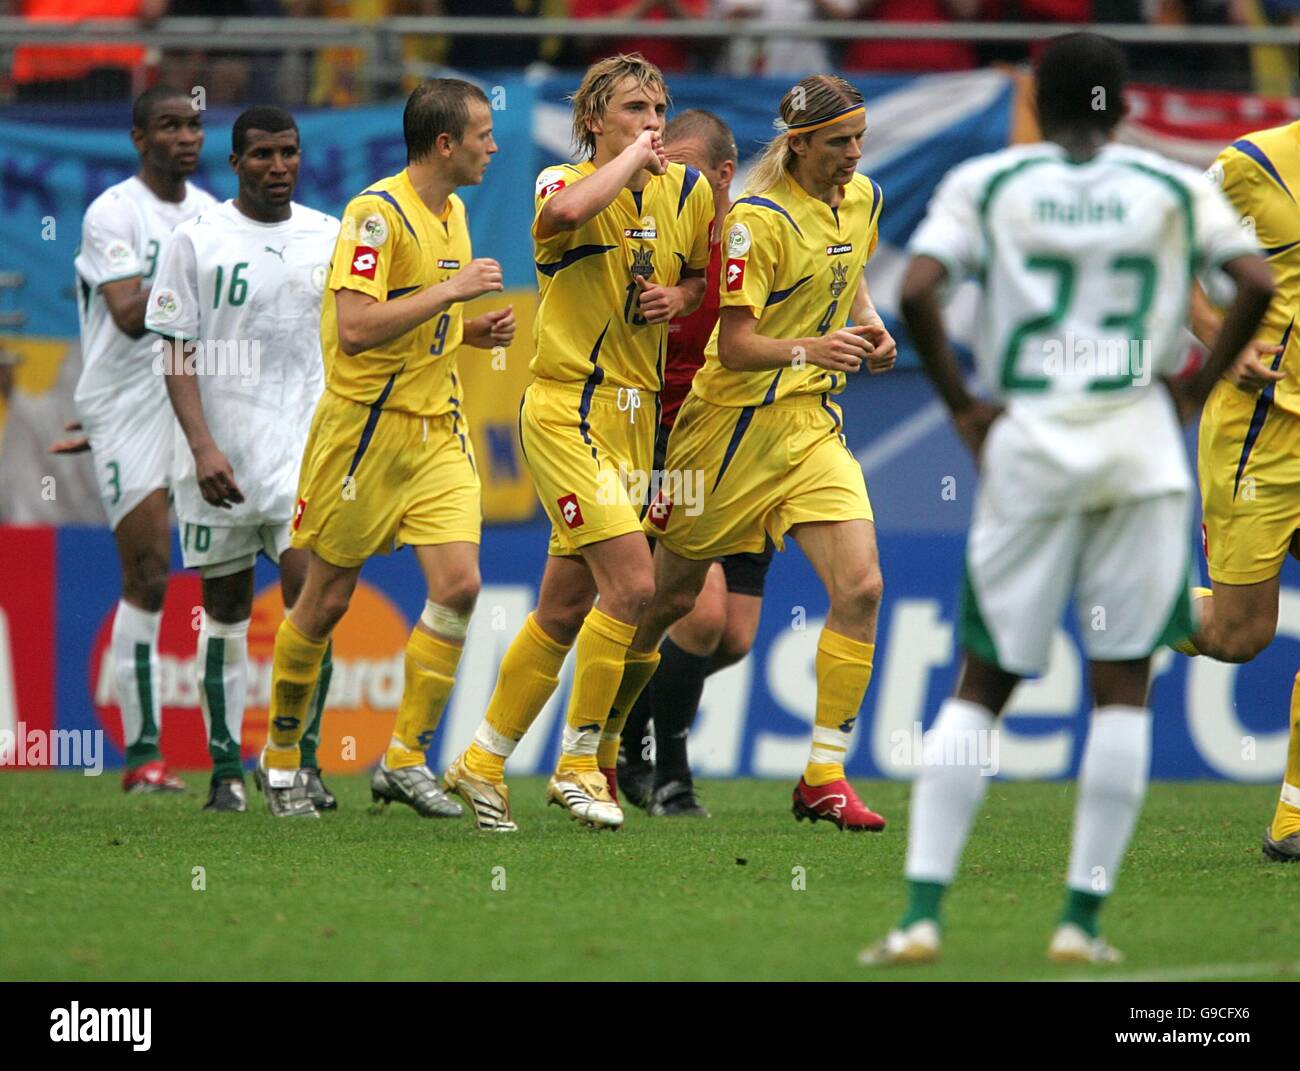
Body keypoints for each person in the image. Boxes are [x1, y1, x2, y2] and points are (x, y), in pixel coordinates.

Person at [862, 32, 1273, 967]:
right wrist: (1193, 387)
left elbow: (919, 287)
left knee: (983, 682)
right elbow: (1253, 280)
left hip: (1031, 446)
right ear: (1123, 105)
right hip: (1138, 447)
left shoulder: (992, 184)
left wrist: (966, 406)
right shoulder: (1168, 187)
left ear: (1037, 103)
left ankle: (921, 914)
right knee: (1122, 686)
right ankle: (1080, 925)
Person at [445, 53, 713, 832]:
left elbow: (699, 275)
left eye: (659, 108)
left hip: (635, 422)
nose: (652, 123)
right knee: (633, 588)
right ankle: (578, 761)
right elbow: (565, 220)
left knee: (564, 608)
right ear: (593, 122)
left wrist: (680, 295)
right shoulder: (558, 186)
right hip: (567, 410)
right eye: (634, 109)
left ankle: (484, 758)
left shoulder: (689, 191)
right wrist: (630, 161)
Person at [622, 74, 896, 832]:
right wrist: (815, 344)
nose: (853, 154)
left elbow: (850, 267)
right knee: (668, 604)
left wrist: (870, 325)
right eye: (838, 141)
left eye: (858, 139)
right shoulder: (756, 222)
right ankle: (601, 738)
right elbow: (735, 347)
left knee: (863, 586)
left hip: (807, 427)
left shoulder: (862, 199)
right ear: (798, 143)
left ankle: (823, 774)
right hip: (725, 434)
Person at [258, 78, 514, 818]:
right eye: (482, 134)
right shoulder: (376, 213)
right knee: (326, 597)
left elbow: (416, 319)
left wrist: (465, 329)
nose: (492, 146)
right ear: (444, 144)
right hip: (364, 433)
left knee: (461, 584)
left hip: (437, 428)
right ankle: (280, 760)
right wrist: (454, 293)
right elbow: (357, 328)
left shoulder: (456, 211)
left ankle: (403, 757)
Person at [147, 106, 341, 813]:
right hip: (219, 461)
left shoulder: (329, 235)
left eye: (288, 151)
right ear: (235, 163)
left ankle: (301, 763)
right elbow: (174, 351)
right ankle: (226, 769)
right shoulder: (194, 241)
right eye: (262, 154)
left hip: (304, 457)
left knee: (312, 608)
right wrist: (201, 446)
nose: (278, 165)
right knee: (225, 614)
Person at [54, 86, 217, 793]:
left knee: (222, 573)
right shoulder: (112, 212)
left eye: (194, 126)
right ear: (138, 137)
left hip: (199, 394)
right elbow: (125, 313)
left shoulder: (213, 214)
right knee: (150, 570)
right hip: (125, 402)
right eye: (169, 126)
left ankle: (239, 756)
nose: (185, 137)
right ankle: (144, 752)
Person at [616, 108, 769, 819]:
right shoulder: (655, 237)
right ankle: (663, 771)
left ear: (724, 174)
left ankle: (624, 732)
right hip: (668, 441)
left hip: (752, 445)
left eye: (684, 168)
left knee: (733, 636)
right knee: (697, 616)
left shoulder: (759, 236)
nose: (667, 180)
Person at [1179, 114, 1300, 862]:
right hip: (1262, 431)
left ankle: (1292, 816)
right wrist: (1219, 341)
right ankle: (1134, 604)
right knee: (1239, 633)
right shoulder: (1254, 165)